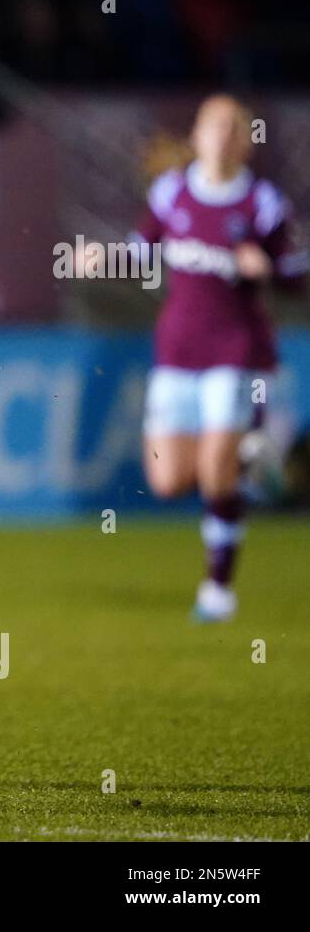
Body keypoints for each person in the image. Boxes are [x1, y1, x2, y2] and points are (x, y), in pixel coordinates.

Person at [122, 94, 303, 622]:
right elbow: (140, 250)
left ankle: (218, 591)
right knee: (167, 481)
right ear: (196, 136)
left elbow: (295, 277)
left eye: (232, 127)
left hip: (236, 351)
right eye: (212, 126)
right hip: (178, 350)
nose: (222, 136)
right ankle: (255, 457)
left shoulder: (262, 203)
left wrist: (265, 265)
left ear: (245, 141)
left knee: (214, 471)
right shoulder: (172, 191)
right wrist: (101, 258)